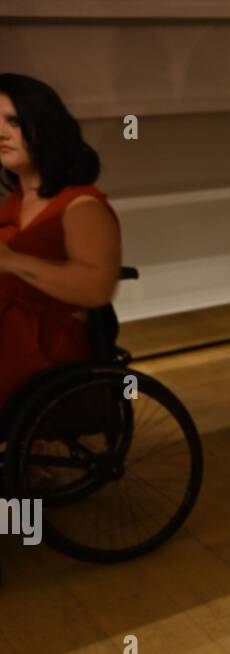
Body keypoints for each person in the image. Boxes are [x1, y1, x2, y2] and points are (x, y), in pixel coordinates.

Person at [0, 74, 121, 418]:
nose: (1, 134)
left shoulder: (80, 206)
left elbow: (97, 288)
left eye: (13, 121)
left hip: (43, 347)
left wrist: (12, 262)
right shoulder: (18, 199)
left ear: (43, 127)